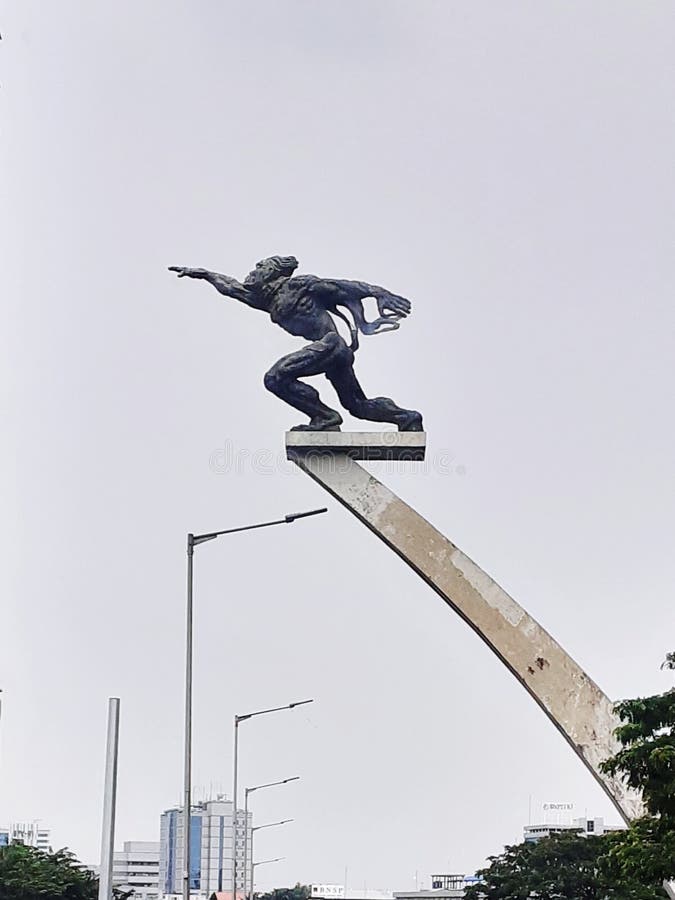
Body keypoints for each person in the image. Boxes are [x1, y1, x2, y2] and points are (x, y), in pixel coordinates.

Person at [169, 255, 423, 432]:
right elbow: (232, 288)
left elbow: (344, 287)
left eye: (259, 267)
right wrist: (205, 274)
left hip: (331, 344)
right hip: (333, 352)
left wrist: (380, 293)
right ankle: (408, 418)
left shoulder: (299, 285)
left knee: (276, 378)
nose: (252, 272)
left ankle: (324, 416)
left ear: (273, 271)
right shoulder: (267, 300)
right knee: (357, 405)